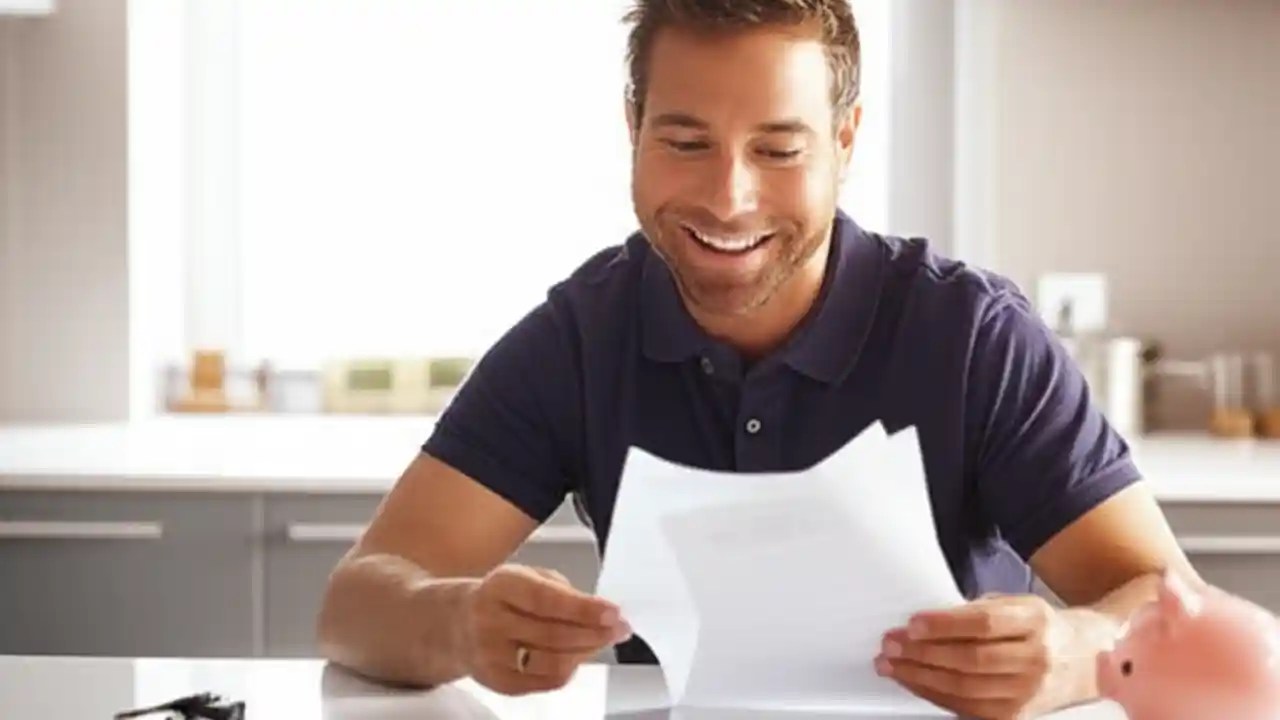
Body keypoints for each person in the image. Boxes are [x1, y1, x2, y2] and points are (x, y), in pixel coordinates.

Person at [316, 1, 1199, 717]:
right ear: (633, 126)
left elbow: (1168, 602)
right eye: (685, 142)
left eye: (779, 149)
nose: (728, 197)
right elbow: (356, 605)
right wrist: (462, 622)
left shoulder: (974, 336)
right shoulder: (583, 335)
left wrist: (1078, 653)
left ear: (845, 141)